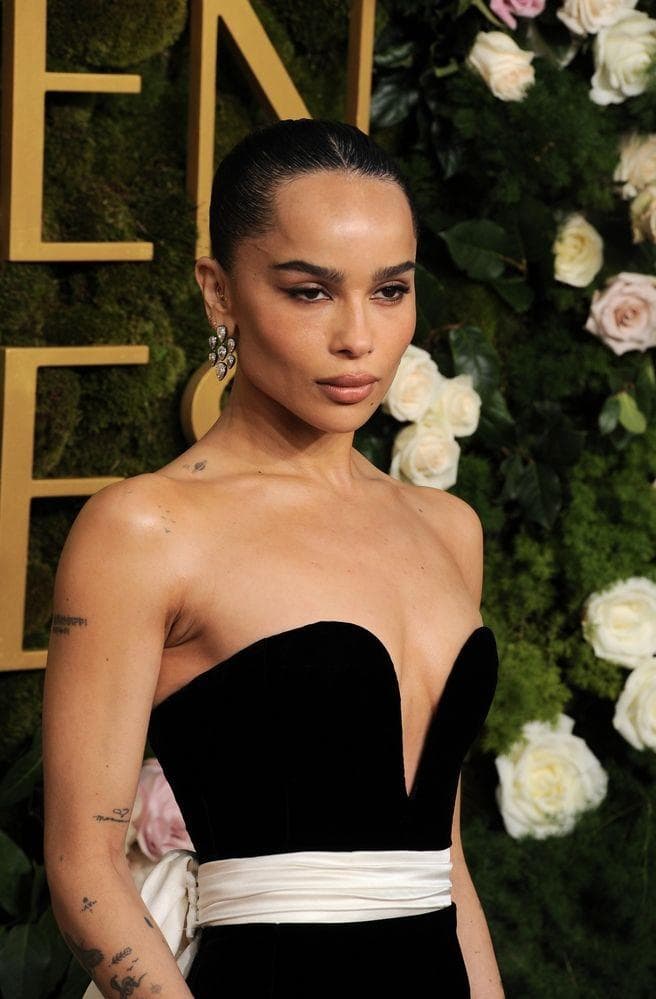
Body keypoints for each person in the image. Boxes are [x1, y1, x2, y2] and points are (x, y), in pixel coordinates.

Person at [42, 117, 503, 998]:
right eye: (309, 292)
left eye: (391, 290)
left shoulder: (449, 528)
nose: (358, 337)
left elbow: (445, 858)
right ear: (219, 292)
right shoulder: (146, 527)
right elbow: (83, 868)